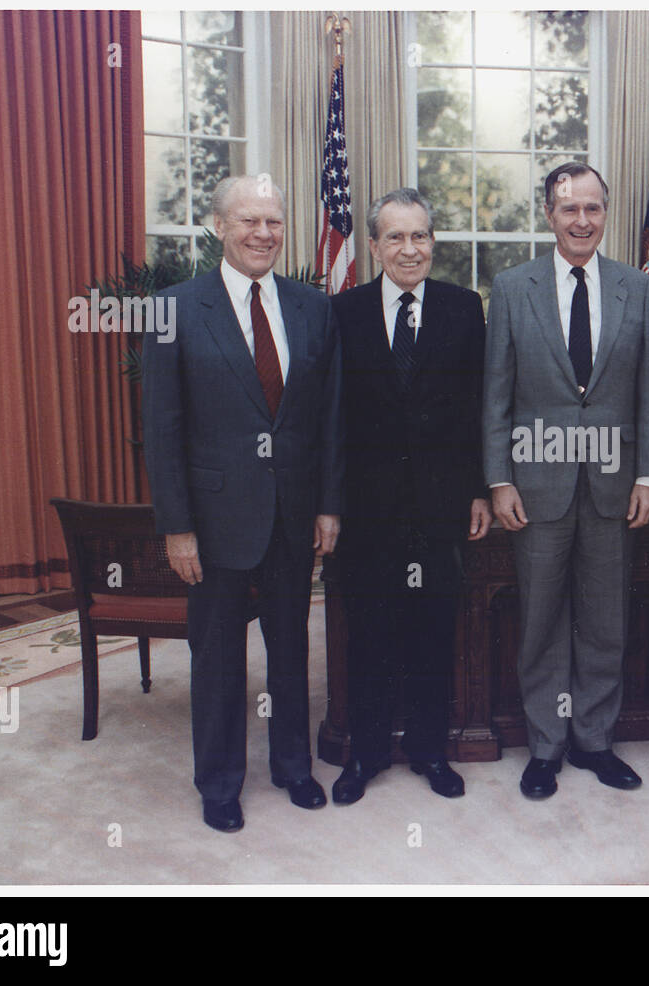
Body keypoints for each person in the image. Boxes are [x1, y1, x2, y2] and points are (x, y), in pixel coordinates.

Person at [142, 175, 345, 832]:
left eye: (273, 223)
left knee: (291, 651)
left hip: (292, 514)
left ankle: (293, 767)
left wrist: (327, 507)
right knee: (219, 656)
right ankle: (220, 782)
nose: (263, 234)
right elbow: (163, 429)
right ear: (220, 228)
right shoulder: (175, 308)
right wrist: (177, 529)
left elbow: (329, 419)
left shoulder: (313, 308)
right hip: (215, 519)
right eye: (249, 222)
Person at [483, 162, 649, 799]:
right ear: (548, 215)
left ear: (606, 214)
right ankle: (545, 745)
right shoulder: (511, 287)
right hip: (536, 485)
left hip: (616, 486)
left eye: (593, 208)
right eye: (569, 209)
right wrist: (499, 480)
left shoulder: (634, 286)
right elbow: (496, 395)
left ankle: (594, 741)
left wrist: (648, 474)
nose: (582, 220)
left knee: (604, 618)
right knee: (540, 620)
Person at [327, 188, 490, 805]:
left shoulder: (461, 307)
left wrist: (476, 489)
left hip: (442, 506)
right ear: (373, 246)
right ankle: (364, 755)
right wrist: (331, 503)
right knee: (367, 634)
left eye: (419, 235)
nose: (409, 248)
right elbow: (331, 418)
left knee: (432, 632)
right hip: (367, 510)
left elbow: (478, 407)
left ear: (432, 242)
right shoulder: (342, 313)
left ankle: (429, 751)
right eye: (394, 237)